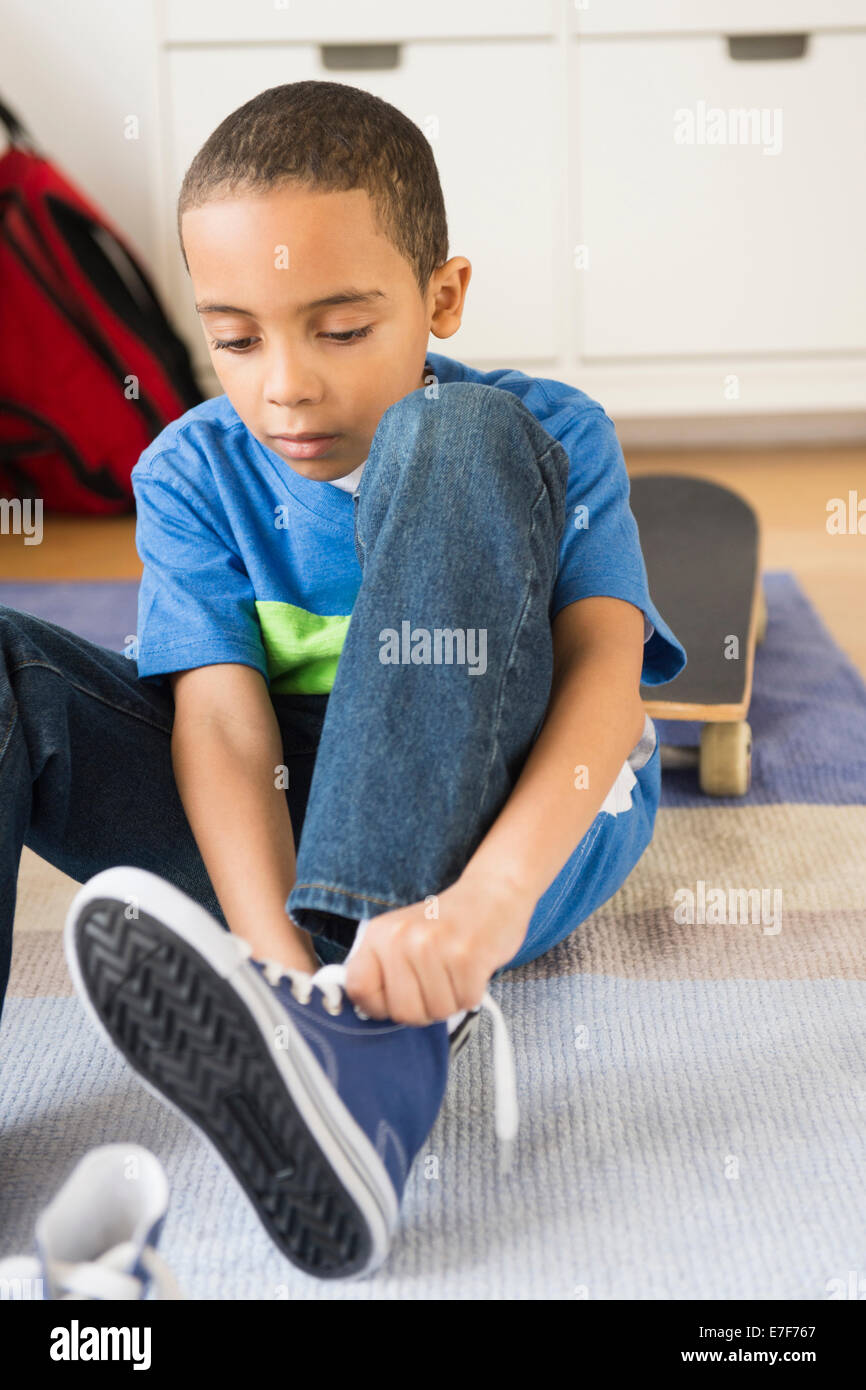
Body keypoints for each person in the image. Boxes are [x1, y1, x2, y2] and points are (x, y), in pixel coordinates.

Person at [4, 81, 686, 1281]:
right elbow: (221, 727)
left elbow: (605, 687)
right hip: (276, 823)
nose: (284, 385)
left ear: (441, 297)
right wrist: (274, 966)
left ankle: (369, 1055)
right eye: (235, 338)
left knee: (455, 435)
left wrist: (487, 901)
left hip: (506, 818)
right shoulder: (190, 471)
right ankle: (319, 1020)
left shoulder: (541, 431)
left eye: (338, 329)